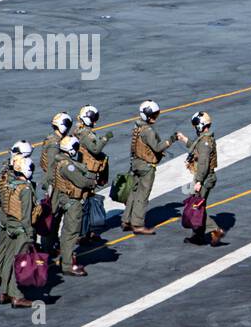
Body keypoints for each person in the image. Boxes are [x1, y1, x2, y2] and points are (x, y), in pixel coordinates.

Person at [122, 99, 181, 235]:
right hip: (146, 166)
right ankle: (137, 225)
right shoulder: (148, 131)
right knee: (142, 195)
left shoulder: (138, 127)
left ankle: (126, 220)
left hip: (136, 163)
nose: (155, 117)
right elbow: (157, 147)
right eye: (153, 115)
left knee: (133, 193)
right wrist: (172, 139)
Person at [50, 135, 98, 277]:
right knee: (71, 233)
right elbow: (81, 182)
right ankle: (68, 264)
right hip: (72, 201)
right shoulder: (68, 166)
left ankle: (66, 258)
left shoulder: (61, 161)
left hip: (64, 199)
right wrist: (92, 181)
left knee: (66, 232)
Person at [0, 154, 38, 308]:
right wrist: (30, 234)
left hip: (10, 226)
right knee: (20, 263)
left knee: (8, 260)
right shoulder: (25, 189)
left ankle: (4, 292)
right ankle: (17, 296)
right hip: (21, 229)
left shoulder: (9, 184)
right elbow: (26, 215)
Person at [0, 140, 33, 286]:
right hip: (15, 218)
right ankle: (11, 283)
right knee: (14, 251)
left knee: (3, 245)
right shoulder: (22, 176)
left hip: (4, 213)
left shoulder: (6, 170)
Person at [177, 110, 224, 245]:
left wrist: (198, 181)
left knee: (196, 208)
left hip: (204, 179)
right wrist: (184, 139)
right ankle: (198, 236)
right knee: (197, 206)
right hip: (205, 178)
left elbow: (203, 164)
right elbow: (195, 147)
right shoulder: (204, 139)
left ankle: (215, 230)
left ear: (200, 125)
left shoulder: (205, 142)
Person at [71, 105, 112, 243]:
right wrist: (105, 138)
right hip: (87, 172)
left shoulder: (82, 131)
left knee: (87, 202)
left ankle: (87, 231)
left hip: (88, 171)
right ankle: (81, 234)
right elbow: (95, 148)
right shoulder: (85, 134)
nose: (95, 122)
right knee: (84, 204)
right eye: (93, 119)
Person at [37, 112, 73, 257]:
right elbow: (52, 166)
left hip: (55, 182)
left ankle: (50, 244)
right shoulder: (55, 144)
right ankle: (47, 247)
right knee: (52, 216)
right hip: (54, 184)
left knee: (55, 216)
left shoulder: (53, 139)